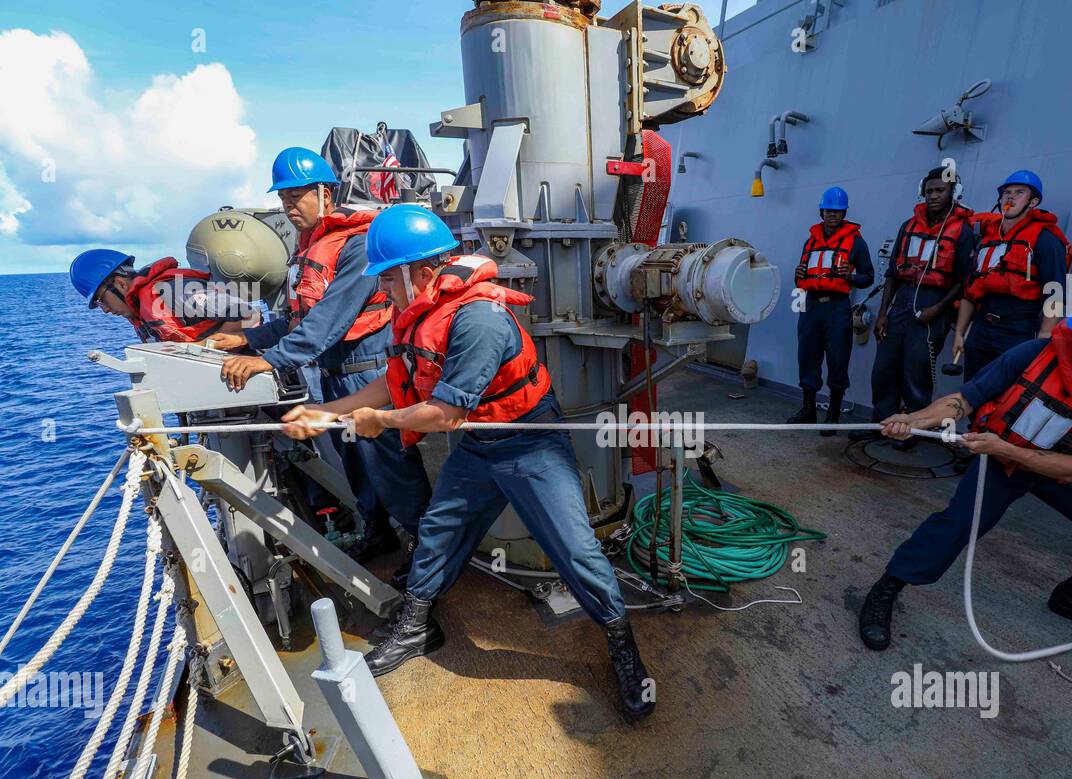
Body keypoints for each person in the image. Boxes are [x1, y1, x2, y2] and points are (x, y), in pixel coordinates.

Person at [281, 204, 655, 720]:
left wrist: (378, 422)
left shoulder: (478, 318)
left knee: (575, 551)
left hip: (529, 442)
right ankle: (418, 625)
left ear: (423, 274)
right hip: (482, 444)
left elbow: (446, 412)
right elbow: (394, 382)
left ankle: (622, 643)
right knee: (440, 527)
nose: (381, 290)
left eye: (387, 278)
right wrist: (325, 412)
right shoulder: (416, 312)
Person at [857, 266, 1072, 650]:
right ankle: (888, 586)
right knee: (958, 524)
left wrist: (1005, 448)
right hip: (1000, 460)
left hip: (1062, 469)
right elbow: (964, 400)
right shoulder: (1035, 353)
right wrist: (913, 419)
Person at [211, 147, 432, 579]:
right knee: (355, 466)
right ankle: (378, 533)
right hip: (334, 377)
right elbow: (298, 320)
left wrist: (266, 361)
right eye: (283, 199)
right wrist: (245, 337)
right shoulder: (310, 247)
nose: (289, 206)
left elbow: (329, 322)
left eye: (298, 196)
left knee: (391, 467)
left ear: (326, 193)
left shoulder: (355, 246)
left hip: (367, 372)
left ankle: (426, 549)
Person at [867, 167, 976, 446]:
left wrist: (938, 309)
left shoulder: (962, 231)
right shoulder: (908, 225)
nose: (934, 196)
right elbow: (892, 272)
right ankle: (882, 422)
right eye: (929, 191)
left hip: (932, 305)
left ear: (954, 192)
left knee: (916, 374)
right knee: (884, 369)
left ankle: (912, 430)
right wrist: (883, 314)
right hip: (902, 301)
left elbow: (964, 279)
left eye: (940, 190)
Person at [952, 169, 1072, 383]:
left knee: (1006, 393)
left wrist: (1043, 338)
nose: (1010, 196)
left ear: (1033, 202)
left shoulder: (1044, 240)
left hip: (1017, 331)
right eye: (1006, 192)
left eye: (1019, 192)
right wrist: (959, 333)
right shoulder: (987, 240)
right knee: (972, 387)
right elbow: (971, 291)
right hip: (980, 329)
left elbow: (1056, 293)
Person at [789, 186, 874, 435]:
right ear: (821, 211)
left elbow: (868, 276)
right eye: (828, 210)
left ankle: (833, 415)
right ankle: (808, 410)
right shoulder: (811, 241)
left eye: (837, 211)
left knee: (838, 359)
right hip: (810, 305)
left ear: (844, 212)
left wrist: (852, 276)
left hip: (837, 308)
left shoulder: (856, 242)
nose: (832, 215)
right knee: (807, 356)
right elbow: (803, 276)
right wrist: (798, 276)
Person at [69, 249, 245, 343]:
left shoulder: (174, 292)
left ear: (120, 284)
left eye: (101, 300)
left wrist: (208, 348)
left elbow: (246, 314)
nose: (105, 310)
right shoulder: (141, 311)